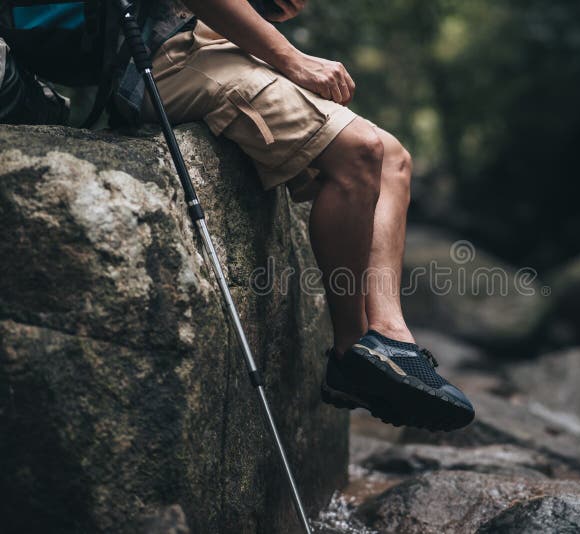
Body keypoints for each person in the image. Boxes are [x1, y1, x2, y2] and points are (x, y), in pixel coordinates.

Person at [1, 0, 475, 431]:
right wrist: (293, 59)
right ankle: (352, 355)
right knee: (360, 153)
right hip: (159, 56)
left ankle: (391, 339)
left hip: (210, 42)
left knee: (394, 160)